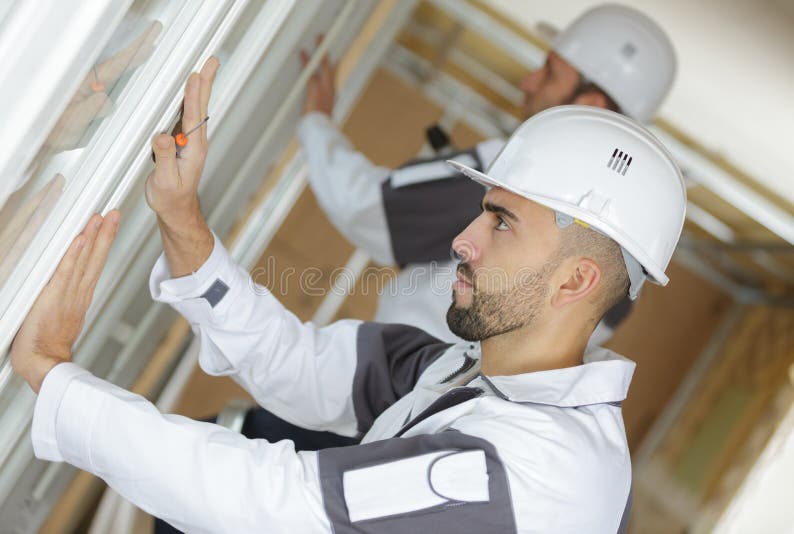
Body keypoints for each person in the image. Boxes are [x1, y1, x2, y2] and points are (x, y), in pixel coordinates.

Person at [12, 50, 687, 532]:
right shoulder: (475, 372)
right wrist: (183, 221)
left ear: (576, 279)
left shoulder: (530, 474)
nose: (462, 241)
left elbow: (268, 505)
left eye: (501, 222)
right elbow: (303, 365)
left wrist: (51, 371)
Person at [298, 4, 677, 343]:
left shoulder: (521, 171)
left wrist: (316, 123)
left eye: (549, 73)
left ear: (591, 102)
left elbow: (367, 208)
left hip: (388, 388)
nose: (527, 82)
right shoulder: (626, 269)